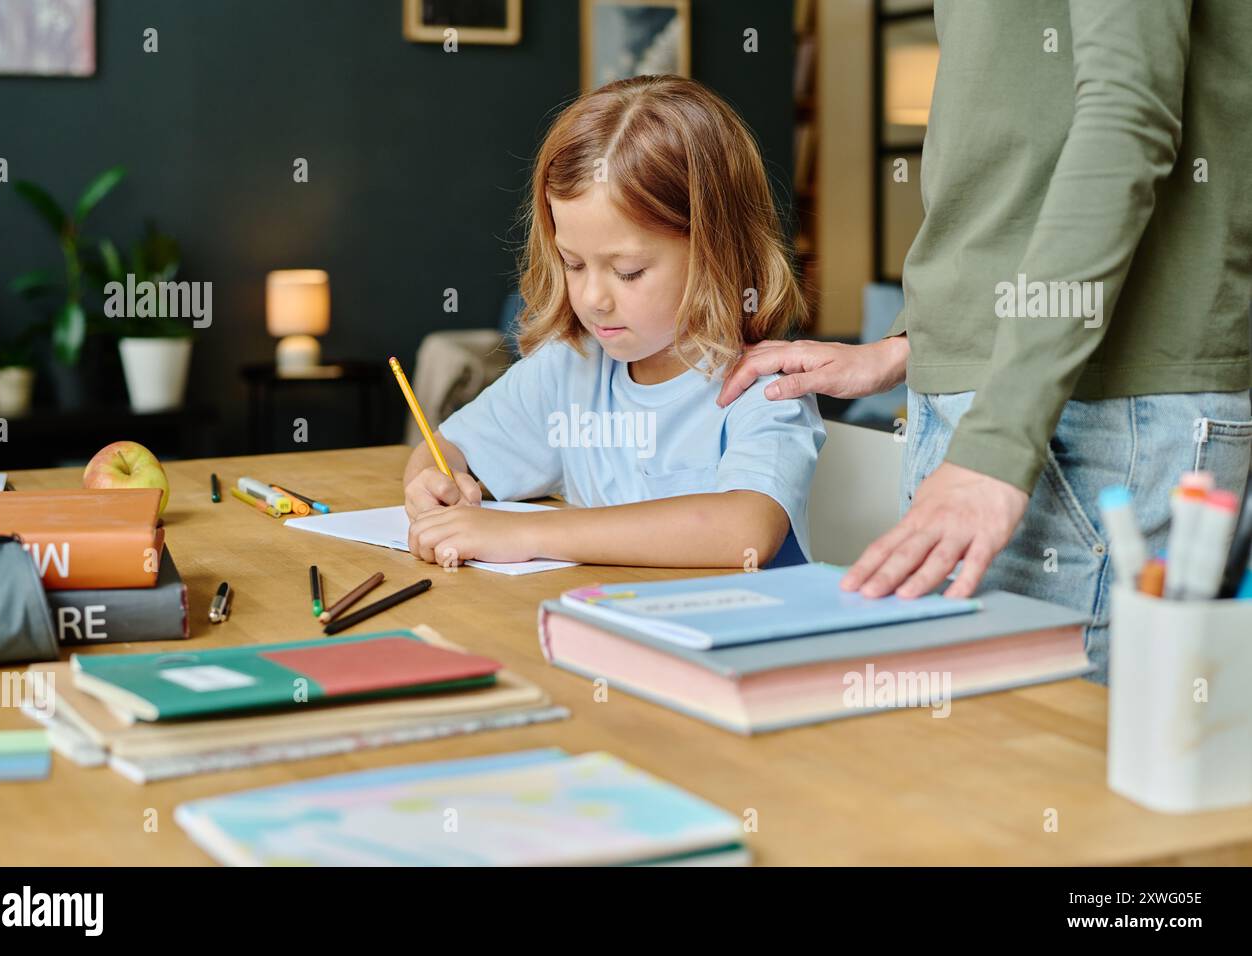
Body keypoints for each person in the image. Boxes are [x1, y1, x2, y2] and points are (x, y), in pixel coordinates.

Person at [717, 0, 1252, 681]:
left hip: (1084, 409)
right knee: (955, 758)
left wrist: (998, 441)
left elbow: (1129, 116)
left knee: (1031, 770)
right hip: (999, 400)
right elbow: (1014, 131)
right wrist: (918, 341)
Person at [402, 75, 824, 570]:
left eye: (628, 271)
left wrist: (526, 532)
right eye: (573, 263)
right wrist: (433, 481)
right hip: (602, 624)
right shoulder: (568, 367)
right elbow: (449, 449)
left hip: (736, 637)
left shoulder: (767, 386)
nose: (592, 298)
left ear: (717, 251)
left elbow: (743, 533)